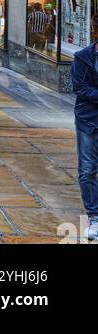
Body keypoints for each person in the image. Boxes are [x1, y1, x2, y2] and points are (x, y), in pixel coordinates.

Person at [71, 15, 98, 242]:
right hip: (89, 120)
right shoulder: (83, 57)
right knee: (88, 169)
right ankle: (94, 216)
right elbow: (79, 87)